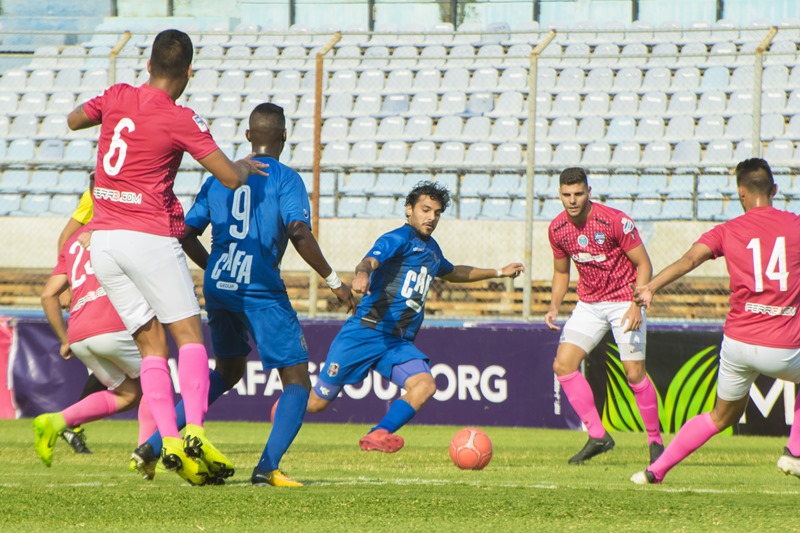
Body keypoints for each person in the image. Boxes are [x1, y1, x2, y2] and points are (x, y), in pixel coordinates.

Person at [66, 28, 266, 485]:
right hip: (148, 236)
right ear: (188, 72)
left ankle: (169, 439)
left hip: (104, 240)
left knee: (150, 344)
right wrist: (242, 165)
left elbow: (75, 119)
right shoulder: (181, 117)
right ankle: (193, 430)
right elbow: (229, 179)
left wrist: (100, 114)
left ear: (149, 65)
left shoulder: (117, 94)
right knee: (189, 335)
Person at [131, 102, 355, 486]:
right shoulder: (286, 179)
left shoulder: (221, 175)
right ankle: (267, 467)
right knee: (298, 381)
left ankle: (152, 445)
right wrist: (335, 281)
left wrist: (216, 267)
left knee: (230, 370)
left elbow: (186, 232)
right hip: (262, 290)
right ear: (284, 137)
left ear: (248, 136)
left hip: (221, 287)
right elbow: (299, 232)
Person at [306, 180, 525, 453]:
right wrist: (362, 274)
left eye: (437, 213)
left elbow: (454, 271)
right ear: (409, 210)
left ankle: (378, 434)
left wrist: (499, 272)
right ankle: (284, 407)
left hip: (396, 342)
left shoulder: (432, 249)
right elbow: (370, 261)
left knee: (425, 385)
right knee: (316, 404)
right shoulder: (397, 239)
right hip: (365, 332)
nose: (431, 217)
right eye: (425, 210)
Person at [631, 158, 800, 485]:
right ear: (775, 190)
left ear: (740, 193)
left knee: (721, 416)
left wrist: (651, 286)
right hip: (783, 345)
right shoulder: (795, 225)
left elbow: (689, 260)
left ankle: (654, 470)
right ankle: (794, 453)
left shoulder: (727, 230)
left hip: (737, 344)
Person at [545, 167, 663, 465]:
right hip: (589, 304)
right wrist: (554, 305)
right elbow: (561, 272)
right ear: (559, 195)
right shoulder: (557, 229)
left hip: (624, 300)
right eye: (566, 195)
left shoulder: (614, 221)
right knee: (563, 365)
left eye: (578, 194)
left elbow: (644, 265)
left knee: (634, 373)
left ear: (589, 193)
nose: (572, 200)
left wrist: (637, 304)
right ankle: (598, 435)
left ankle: (655, 442)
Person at [34, 226, 157, 467]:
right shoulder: (121, 230)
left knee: (129, 394)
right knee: (155, 380)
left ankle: (56, 421)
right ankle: (146, 455)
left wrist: (65, 339)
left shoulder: (72, 244)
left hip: (79, 332)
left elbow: (48, 295)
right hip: (114, 325)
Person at [52, 174, 106, 454]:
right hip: (98, 285)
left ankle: (70, 424)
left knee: (113, 368)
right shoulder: (96, 193)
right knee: (140, 362)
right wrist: (69, 282)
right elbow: (67, 236)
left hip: (113, 279)